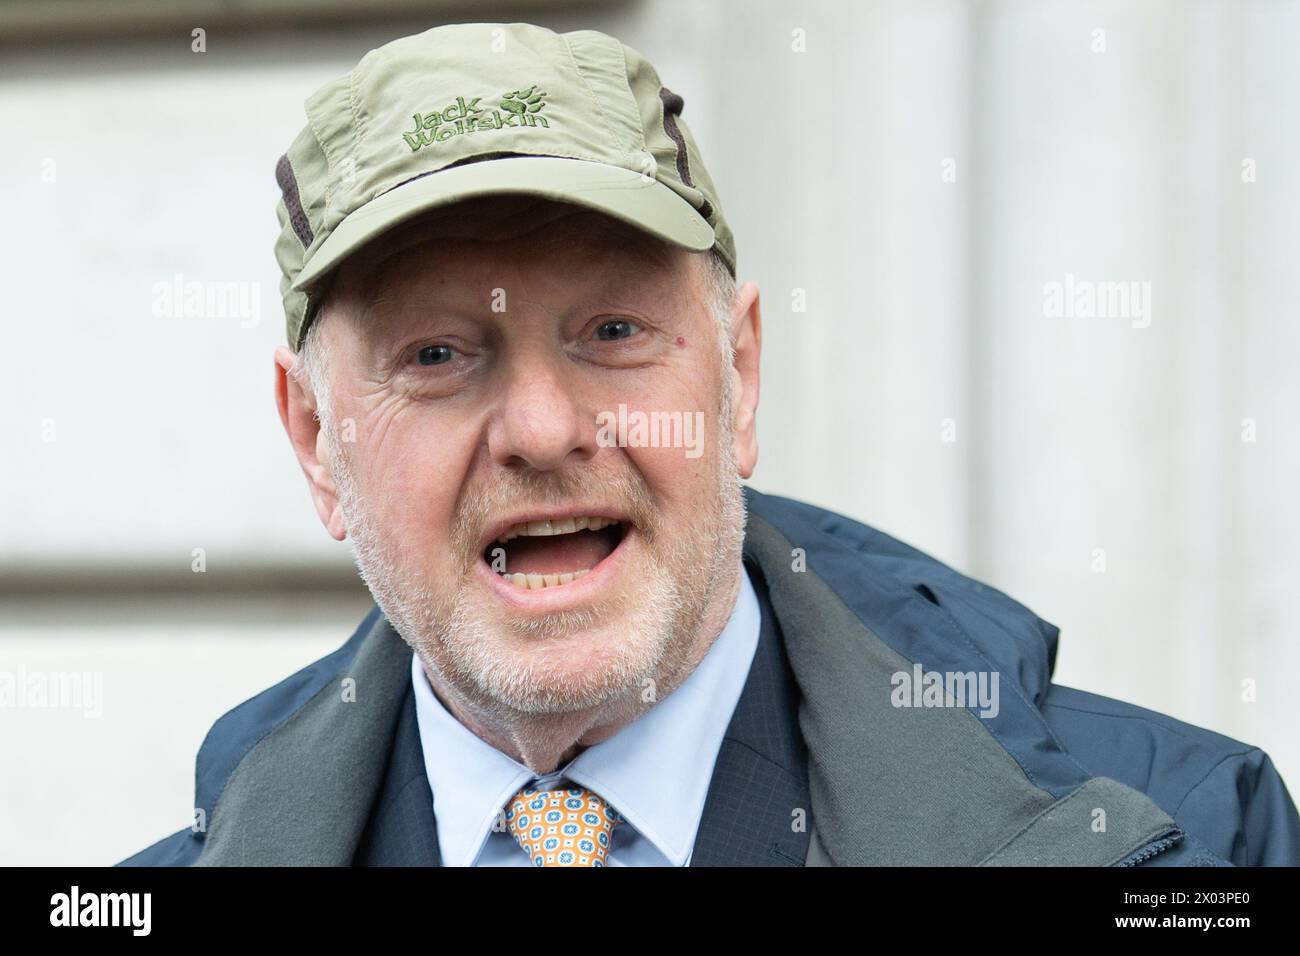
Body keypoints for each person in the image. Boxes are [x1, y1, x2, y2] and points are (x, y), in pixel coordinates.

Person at [121, 21, 1299, 867]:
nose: (540, 429)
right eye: (435, 355)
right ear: (317, 441)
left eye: (614, 330)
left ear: (737, 377)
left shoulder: (1188, 842)